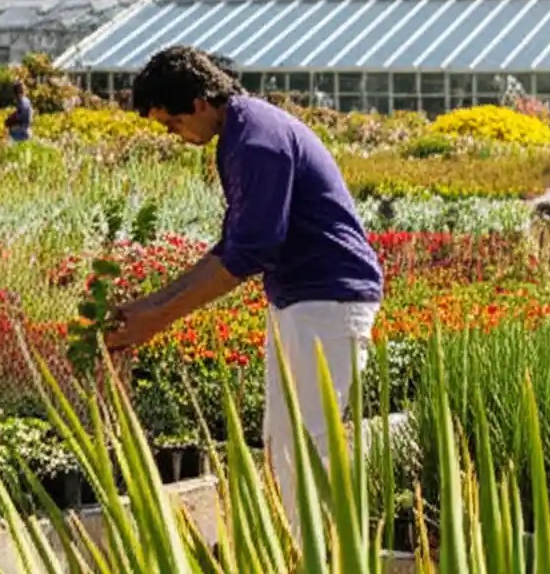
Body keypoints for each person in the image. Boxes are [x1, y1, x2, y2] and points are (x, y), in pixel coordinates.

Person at [105, 45, 383, 534]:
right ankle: (303, 556)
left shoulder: (256, 141)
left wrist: (160, 316)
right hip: (302, 299)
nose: (176, 135)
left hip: (327, 300)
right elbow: (233, 246)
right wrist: (149, 307)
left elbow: (249, 252)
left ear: (198, 104)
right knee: (285, 449)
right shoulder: (242, 132)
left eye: (172, 124)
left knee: (312, 452)